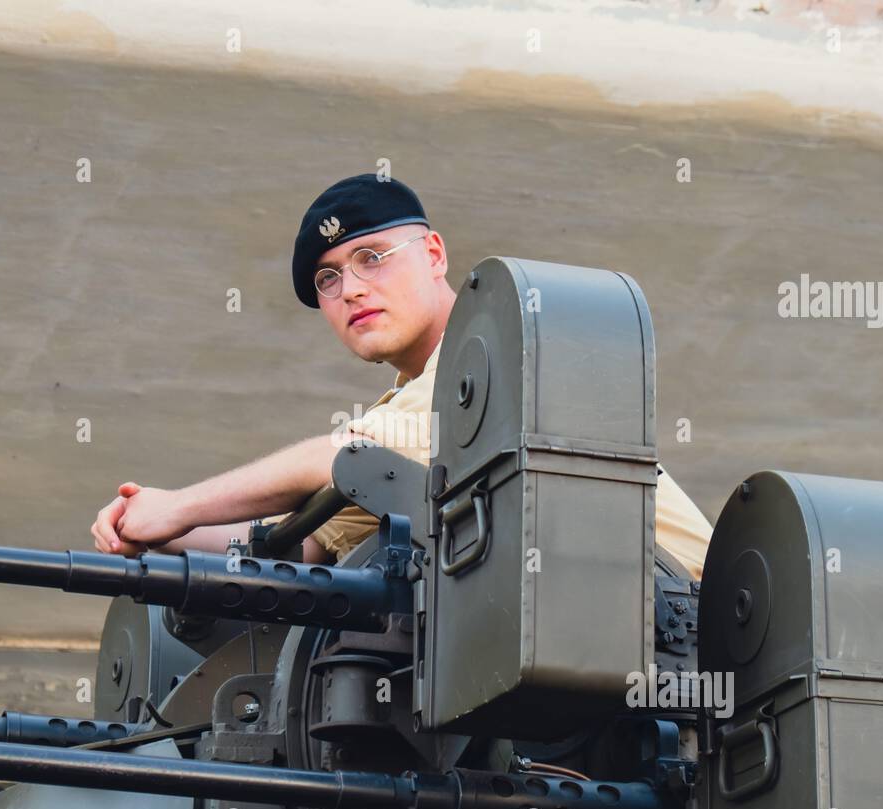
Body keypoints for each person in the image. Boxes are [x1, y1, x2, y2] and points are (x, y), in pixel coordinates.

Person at [91, 173, 714, 579]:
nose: (350, 289)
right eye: (328, 278)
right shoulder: (407, 408)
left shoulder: (499, 348)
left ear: (434, 254)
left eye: (371, 257)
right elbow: (301, 546)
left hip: (685, 630)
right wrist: (158, 532)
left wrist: (178, 507)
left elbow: (340, 458)